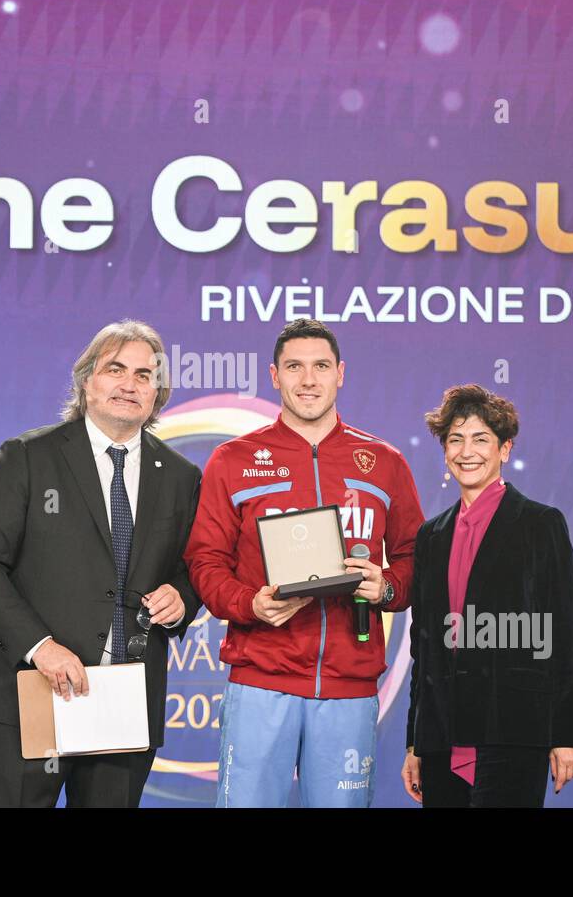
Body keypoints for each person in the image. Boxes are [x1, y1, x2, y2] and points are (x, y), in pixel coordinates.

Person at [0, 320, 202, 807]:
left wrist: (184, 596)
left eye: (144, 375)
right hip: (29, 689)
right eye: (115, 369)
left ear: (157, 393)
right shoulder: (26, 457)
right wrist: (40, 647)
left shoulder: (181, 476)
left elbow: (194, 567)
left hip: (124, 699)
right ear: (87, 381)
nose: (129, 384)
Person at [185, 319, 424, 807]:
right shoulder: (234, 460)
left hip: (349, 686)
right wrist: (250, 604)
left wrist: (387, 588)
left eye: (321, 366)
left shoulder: (384, 462)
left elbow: (415, 557)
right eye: (294, 367)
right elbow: (205, 560)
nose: (308, 380)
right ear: (274, 376)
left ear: (341, 373)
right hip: (260, 681)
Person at [401, 384, 573, 807]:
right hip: (442, 736)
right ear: (445, 452)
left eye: (481, 439)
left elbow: (562, 635)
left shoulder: (540, 524)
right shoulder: (431, 535)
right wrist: (416, 741)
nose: (467, 452)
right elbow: (423, 648)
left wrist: (566, 734)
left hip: (514, 729)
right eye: (456, 439)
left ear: (504, 449)